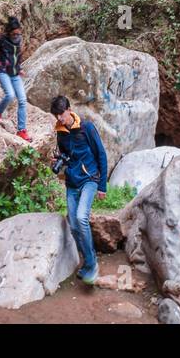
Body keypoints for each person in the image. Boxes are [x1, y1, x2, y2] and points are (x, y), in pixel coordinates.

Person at [50, 95, 107, 285]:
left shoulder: (87, 128)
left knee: (82, 217)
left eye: (61, 113)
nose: (59, 118)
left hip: (90, 179)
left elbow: (101, 154)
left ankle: (92, 264)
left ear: (69, 109)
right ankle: (87, 261)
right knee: (74, 225)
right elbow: (67, 155)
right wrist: (60, 159)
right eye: (56, 115)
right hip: (72, 182)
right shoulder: (60, 133)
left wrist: (102, 185)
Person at [0, 16, 30, 141]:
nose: (17, 35)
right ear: (9, 32)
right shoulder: (2, 40)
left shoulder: (19, 40)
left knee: (22, 100)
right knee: (10, 95)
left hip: (15, 74)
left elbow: (17, 56)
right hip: (3, 72)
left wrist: (19, 68)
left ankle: (22, 130)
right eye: (14, 33)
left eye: (18, 33)